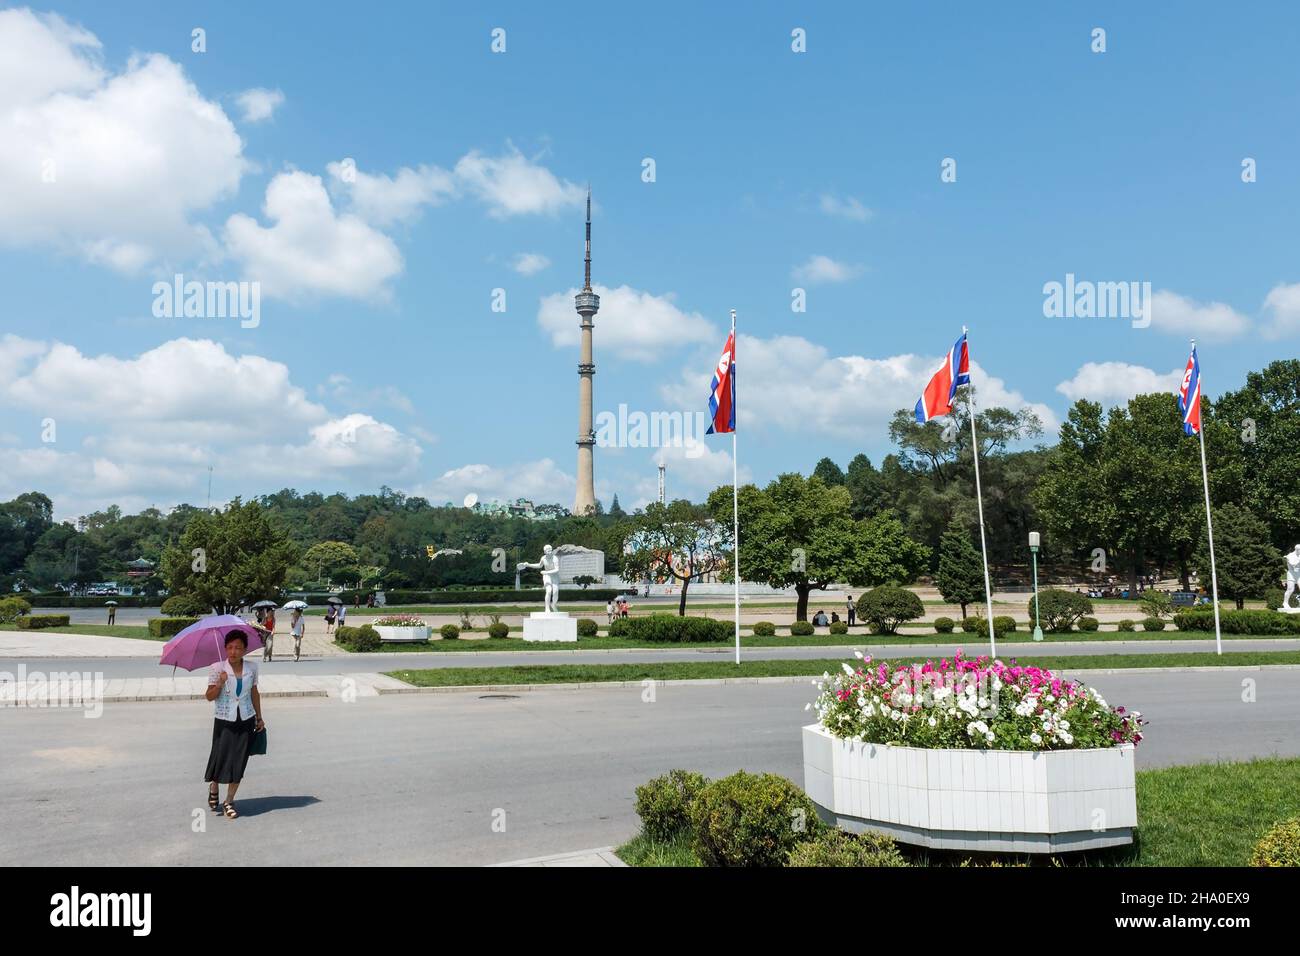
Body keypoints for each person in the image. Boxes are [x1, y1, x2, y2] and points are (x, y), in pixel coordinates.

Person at [204, 631, 264, 820]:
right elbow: (209, 696)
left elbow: (254, 692)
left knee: (239, 761)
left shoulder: (252, 668)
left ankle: (229, 801)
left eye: (238, 647)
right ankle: (214, 785)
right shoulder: (217, 668)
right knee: (220, 757)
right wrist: (220, 683)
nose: (233, 651)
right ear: (225, 648)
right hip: (224, 720)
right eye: (229, 647)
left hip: (245, 719)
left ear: (245, 649)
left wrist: (259, 717)